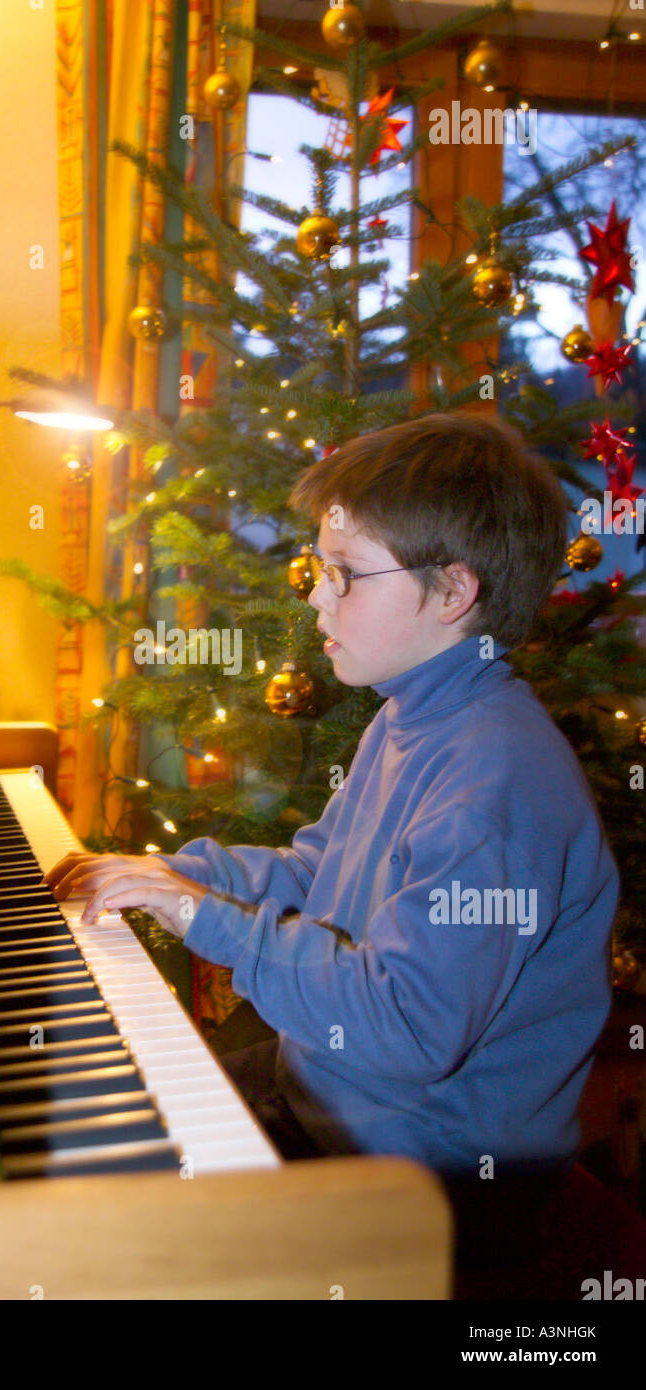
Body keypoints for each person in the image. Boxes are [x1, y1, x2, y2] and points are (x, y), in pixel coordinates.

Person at [46, 411, 620, 1263]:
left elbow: (405, 1032)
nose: (315, 593)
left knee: (102, 1234)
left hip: (427, 1181)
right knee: (75, 1129)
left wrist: (207, 919)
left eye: (344, 573)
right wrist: (175, 873)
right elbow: (322, 868)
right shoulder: (412, 715)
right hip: (330, 1105)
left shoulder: (492, 780)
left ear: (453, 592)